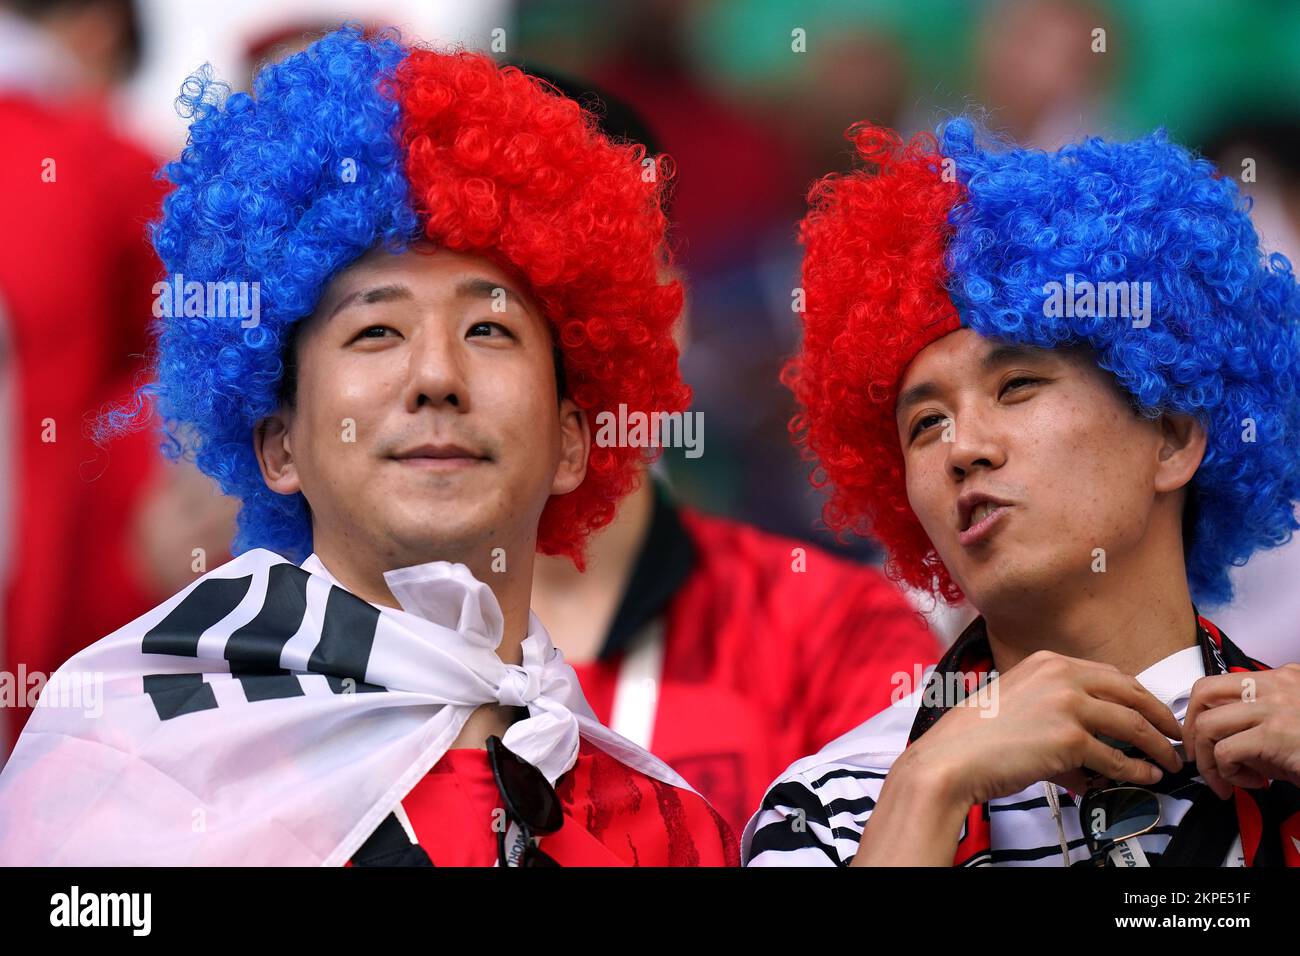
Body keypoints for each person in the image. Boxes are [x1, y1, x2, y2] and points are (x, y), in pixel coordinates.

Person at [0, 24, 736, 867]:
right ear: (278, 445)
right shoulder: (125, 769)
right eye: (377, 330)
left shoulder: (678, 833)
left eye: (489, 328)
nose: (436, 376)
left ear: (574, 441)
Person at [744, 118, 1300, 867]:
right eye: (926, 423)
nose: (964, 449)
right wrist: (928, 788)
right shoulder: (830, 808)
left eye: (1018, 386)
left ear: (1170, 437)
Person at [522, 69, 942, 835]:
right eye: (488, 311)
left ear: (672, 315)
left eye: (586, 291)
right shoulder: (298, 648)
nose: (535, 351)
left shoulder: (836, 635)